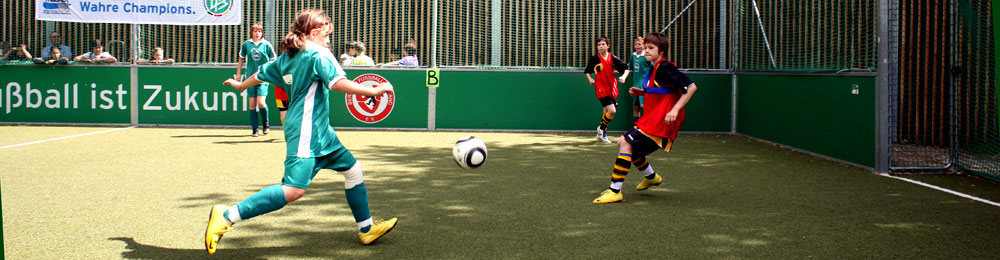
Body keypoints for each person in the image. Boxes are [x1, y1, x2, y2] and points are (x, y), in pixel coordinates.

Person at [208, 8, 398, 255]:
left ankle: (366, 229)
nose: (330, 40)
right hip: (306, 132)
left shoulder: (289, 55)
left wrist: (241, 85)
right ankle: (227, 215)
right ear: (316, 31)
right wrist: (373, 91)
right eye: (328, 34)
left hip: (321, 133)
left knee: (353, 170)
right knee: (294, 189)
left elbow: (261, 72)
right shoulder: (319, 53)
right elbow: (337, 83)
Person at [592, 32, 698, 204]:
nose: (646, 51)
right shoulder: (655, 67)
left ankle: (615, 190)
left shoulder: (665, 66)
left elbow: (691, 87)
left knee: (626, 142)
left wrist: (675, 110)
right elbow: (666, 89)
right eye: (646, 47)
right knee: (623, 142)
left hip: (662, 120)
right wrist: (644, 92)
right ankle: (651, 177)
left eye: (651, 48)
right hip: (654, 118)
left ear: (661, 51)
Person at [584, 36, 630, 143]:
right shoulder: (595, 59)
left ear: (608, 46)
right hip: (601, 88)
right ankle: (602, 129)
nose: (601, 46)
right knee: (612, 111)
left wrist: (623, 77)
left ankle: (602, 133)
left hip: (612, 88)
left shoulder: (613, 58)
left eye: (603, 44)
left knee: (606, 111)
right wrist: (590, 79)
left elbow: (626, 69)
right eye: (599, 45)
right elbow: (587, 71)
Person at [236, 22, 278, 137]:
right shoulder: (247, 44)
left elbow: (274, 59)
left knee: (261, 103)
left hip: (263, 77)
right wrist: (238, 74)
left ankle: (266, 124)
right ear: (252, 32)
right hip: (250, 78)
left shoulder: (266, 45)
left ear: (262, 33)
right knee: (252, 104)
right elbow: (241, 58)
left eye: (259, 31)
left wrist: (268, 69)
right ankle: (255, 129)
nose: (257, 33)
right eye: (255, 31)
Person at [627, 36, 653, 126]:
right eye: (636, 44)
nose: (638, 46)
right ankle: (635, 128)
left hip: (644, 84)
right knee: (636, 107)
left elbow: (653, 68)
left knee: (644, 106)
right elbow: (630, 68)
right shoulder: (633, 56)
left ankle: (647, 127)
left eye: (640, 44)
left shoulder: (646, 56)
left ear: (643, 46)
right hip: (635, 84)